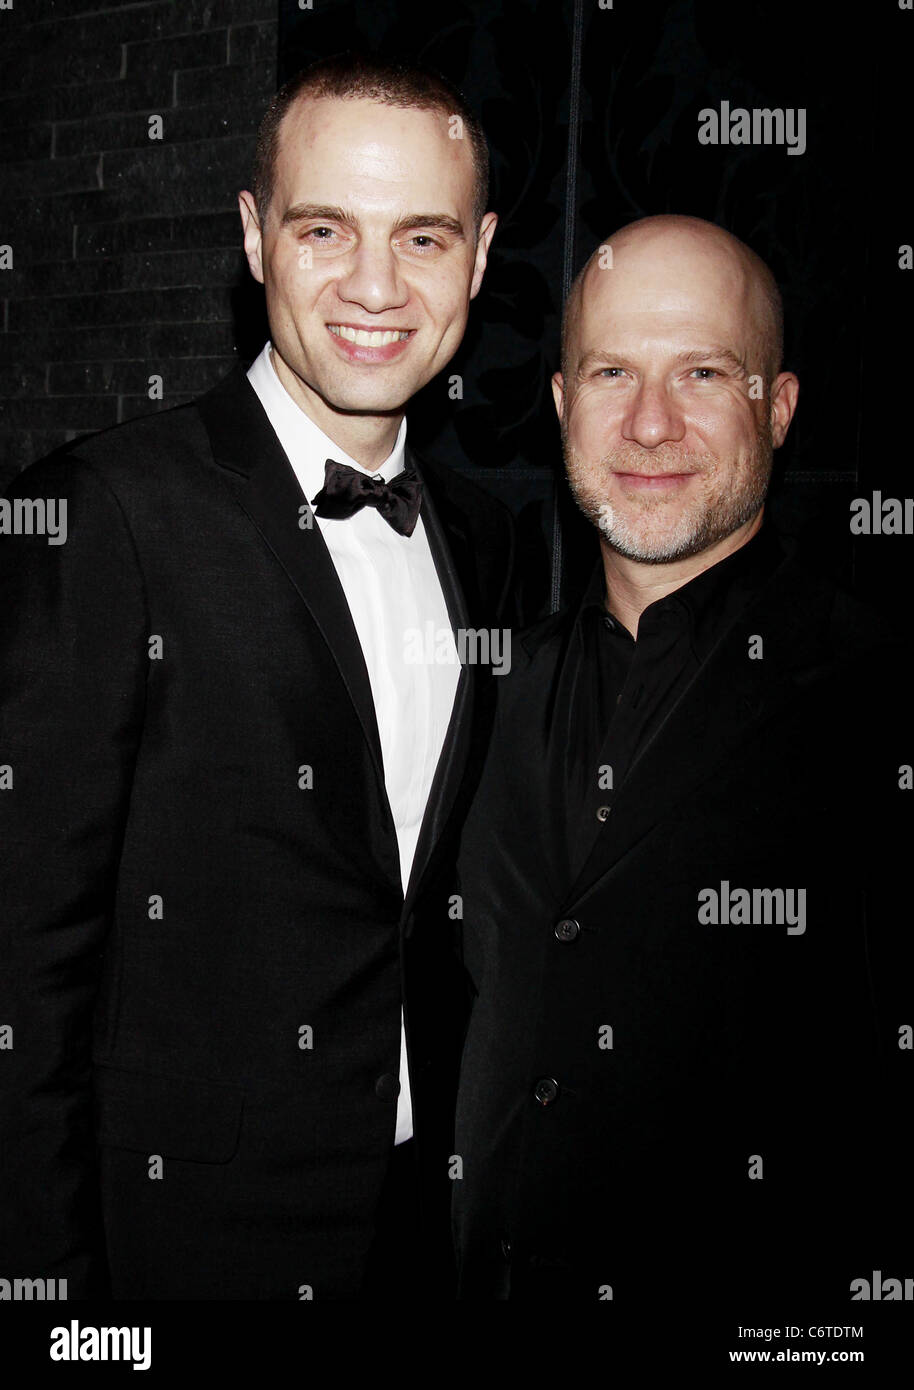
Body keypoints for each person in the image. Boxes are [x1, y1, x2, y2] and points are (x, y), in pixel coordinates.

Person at [0, 52, 513, 1301]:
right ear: (253, 237)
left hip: (415, 1233)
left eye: (424, 238)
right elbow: (22, 961)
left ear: (482, 258)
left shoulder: (493, 541)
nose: (375, 286)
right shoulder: (106, 513)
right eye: (324, 228)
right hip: (176, 1248)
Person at [452, 215, 910, 1309]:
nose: (648, 423)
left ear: (778, 407)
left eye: (701, 371)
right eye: (612, 371)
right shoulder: (491, 682)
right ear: (561, 404)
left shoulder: (875, 693)